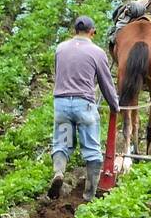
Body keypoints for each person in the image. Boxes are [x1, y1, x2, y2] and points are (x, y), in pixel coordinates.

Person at [50, 15, 120, 201]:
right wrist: (115, 105)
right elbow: (106, 83)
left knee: (62, 144)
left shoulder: (60, 48)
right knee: (92, 150)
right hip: (84, 107)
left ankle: (58, 173)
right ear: (92, 32)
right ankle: (89, 195)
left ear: (74, 31)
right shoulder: (97, 52)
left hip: (62, 106)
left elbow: (58, 74)